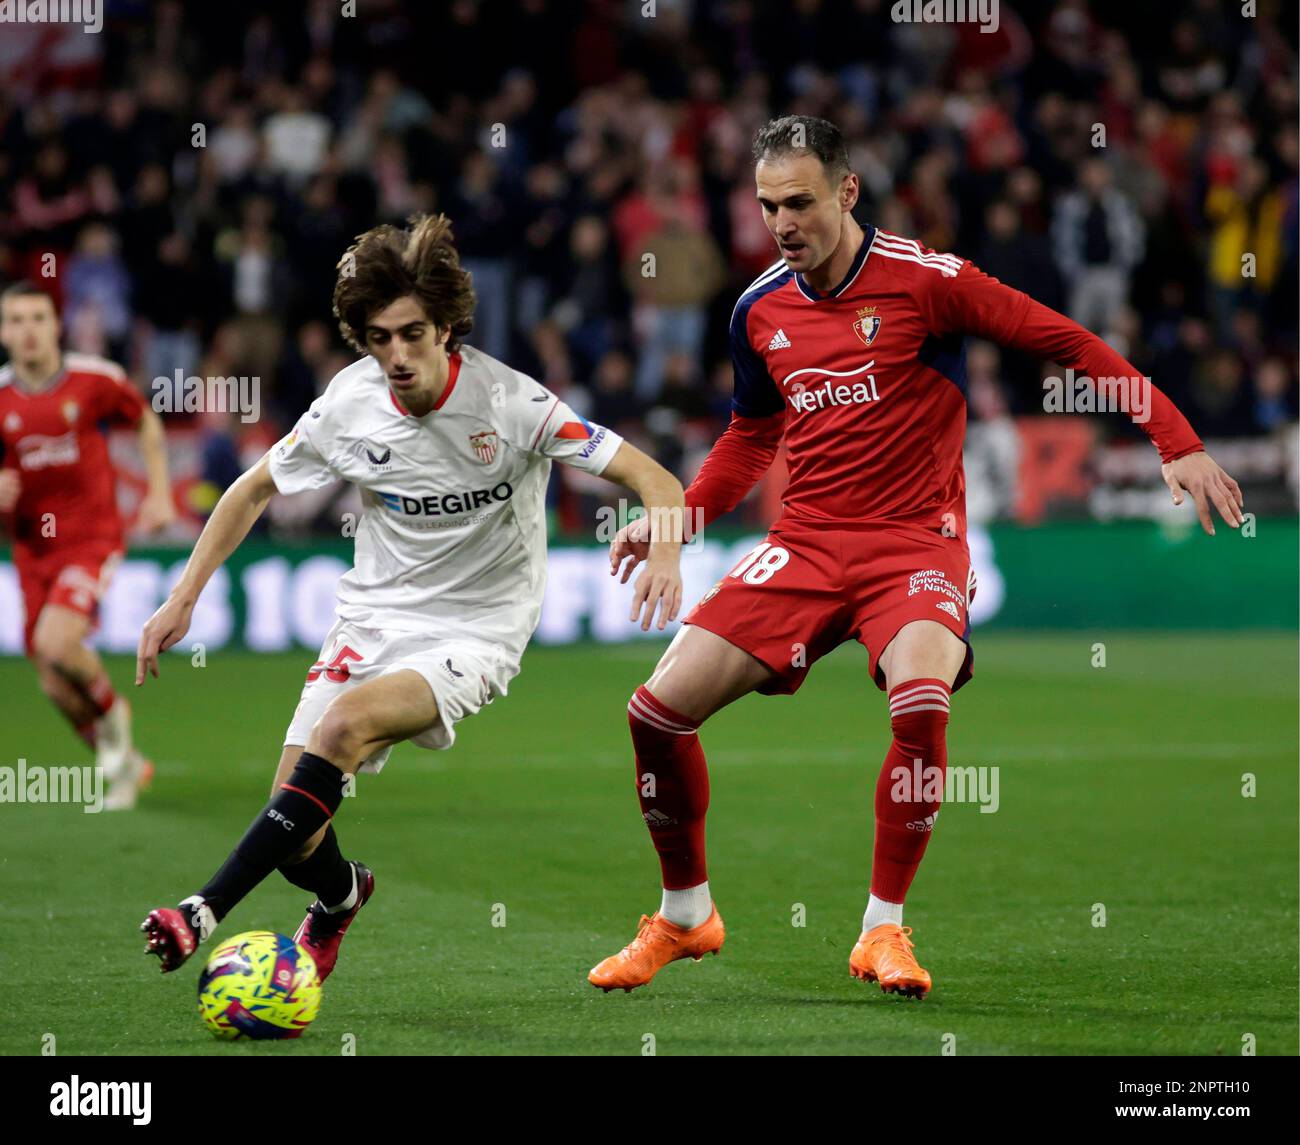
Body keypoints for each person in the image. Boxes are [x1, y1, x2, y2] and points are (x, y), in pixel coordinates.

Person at [590, 117, 1243, 1000]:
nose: (782, 222)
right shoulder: (758, 309)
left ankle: (881, 929)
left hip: (912, 544)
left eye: (801, 202)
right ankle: (683, 913)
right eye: (767, 205)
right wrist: (679, 522)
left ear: (847, 192)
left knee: (922, 702)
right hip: (806, 544)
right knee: (655, 713)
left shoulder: (928, 282)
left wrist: (1176, 437)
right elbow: (750, 437)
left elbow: (1067, 343)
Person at [135, 214, 686, 989]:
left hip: (480, 626)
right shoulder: (347, 406)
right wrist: (181, 597)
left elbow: (656, 480)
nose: (395, 354)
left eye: (411, 333)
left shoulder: (514, 404)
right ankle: (339, 895)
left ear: (447, 327)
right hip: (373, 615)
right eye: (377, 337)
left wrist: (664, 547)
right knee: (294, 825)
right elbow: (253, 487)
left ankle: (202, 908)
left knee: (344, 727)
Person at [0, 281, 174, 810]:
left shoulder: (94, 381)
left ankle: (114, 715)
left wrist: (160, 493)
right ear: (4, 332)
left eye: (37, 318)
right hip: (31, 550)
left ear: (57, 325)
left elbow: (144, 418)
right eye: (15, 320)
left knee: (56, 644)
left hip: (90, 538)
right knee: (53, 682)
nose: (28, 331)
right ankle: (126, 763)